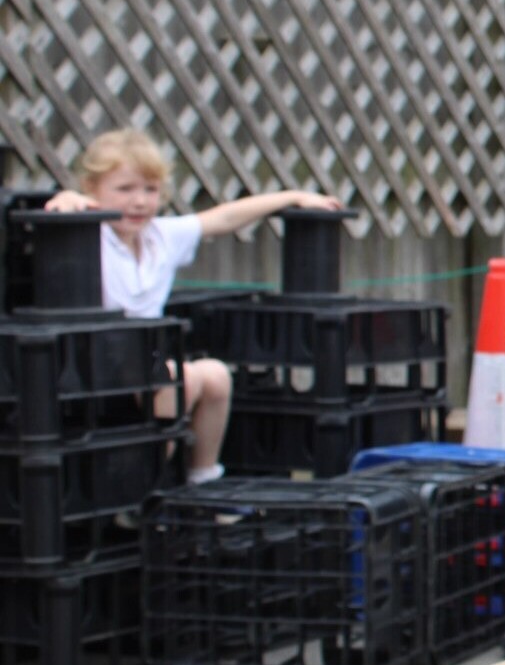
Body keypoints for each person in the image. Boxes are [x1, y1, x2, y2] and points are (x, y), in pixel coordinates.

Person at [46, 128, 339, 484]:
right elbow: (62, 207)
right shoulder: (90, 236)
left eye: (150, 190)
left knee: (215, 375)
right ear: (92, 189)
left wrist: (292, 197)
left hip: (148, 360)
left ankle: (202, 476)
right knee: (177, 378)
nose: (139, 202)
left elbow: (224, 218)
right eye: (124, 189)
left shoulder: (161, 237)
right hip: (97, 366)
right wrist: (68, 199)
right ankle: (144, 483)